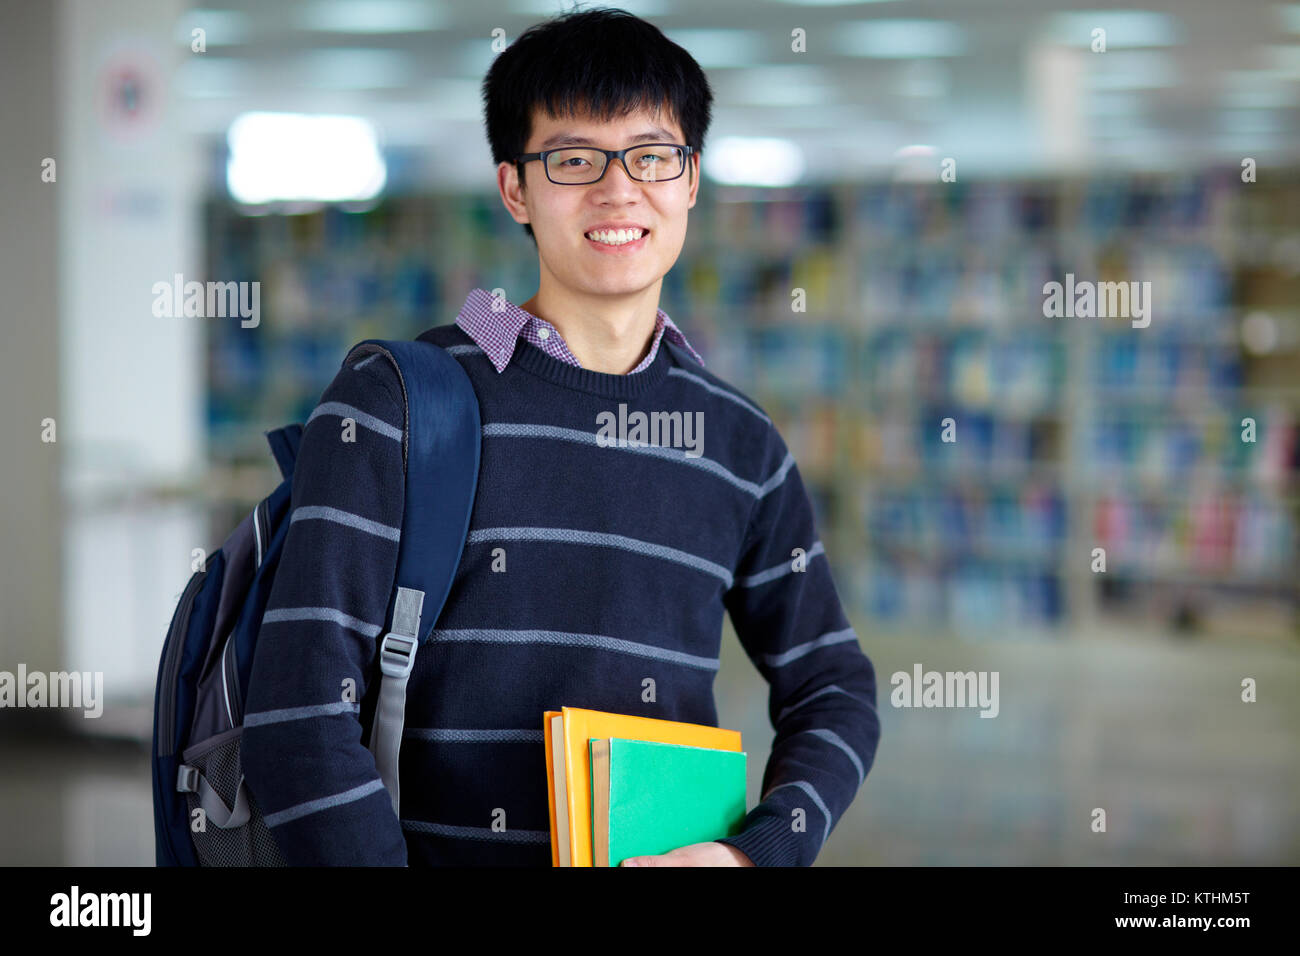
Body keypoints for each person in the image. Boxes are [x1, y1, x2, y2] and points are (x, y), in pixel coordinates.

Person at [241, 6, 880, 867]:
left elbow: (835, 687)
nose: (619, 191)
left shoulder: (740, 444)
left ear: (690, 180)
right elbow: (297, 714)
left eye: (653, 156)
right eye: (575, 160)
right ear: (516, 189)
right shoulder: (396, 405)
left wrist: (752, 854)